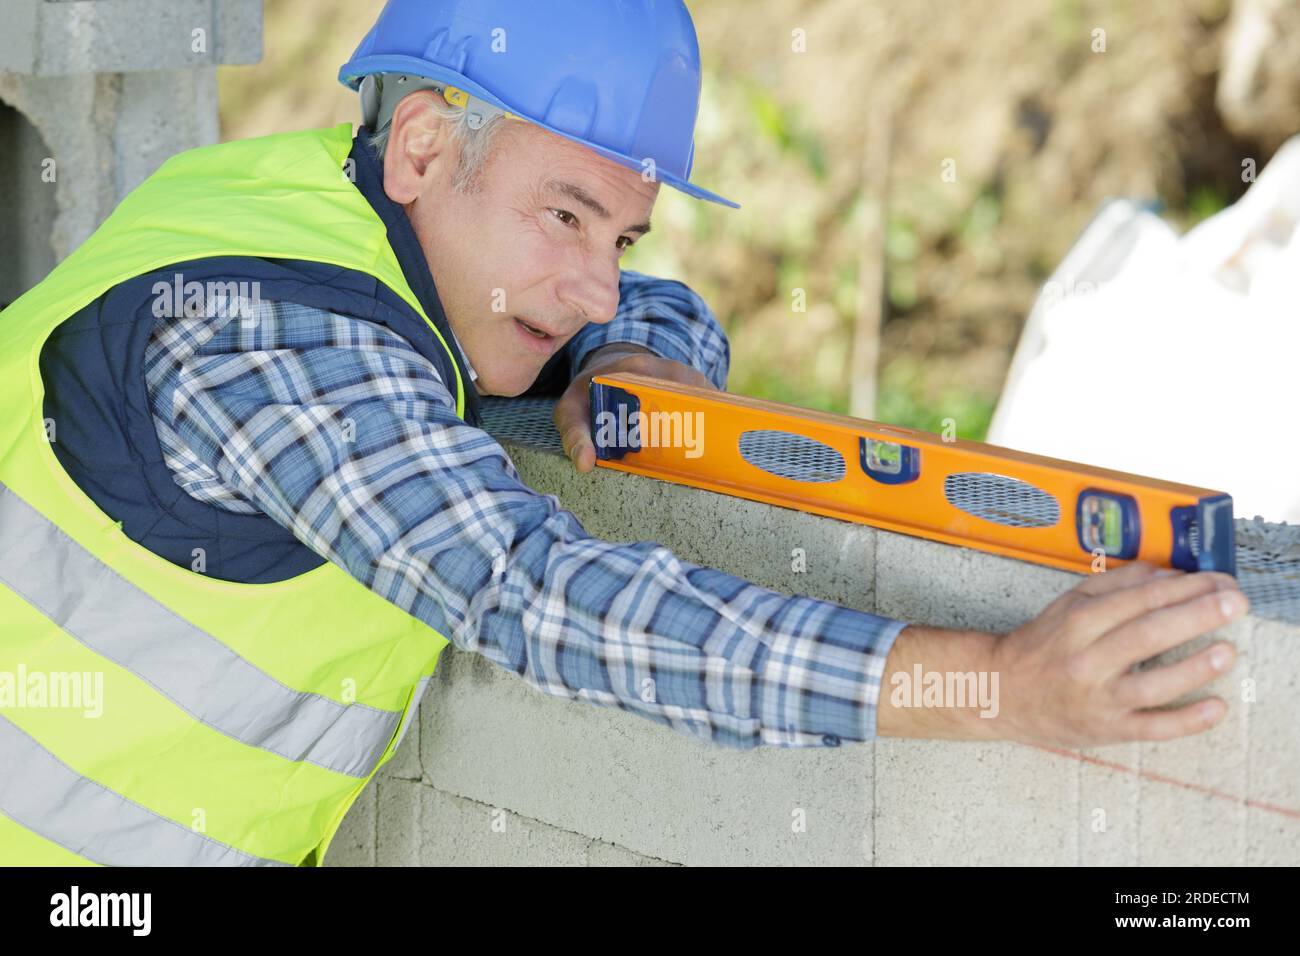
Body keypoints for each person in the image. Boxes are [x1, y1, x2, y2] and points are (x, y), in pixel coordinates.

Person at [0, 0, 1247, 866]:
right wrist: (992, 685)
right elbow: (539, 596)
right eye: (565, 216)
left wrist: (633, 357)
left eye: (622, 236)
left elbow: (655, 308)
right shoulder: (275, 344)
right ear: (427, 146)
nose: (597, 284)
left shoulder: (326, 191)